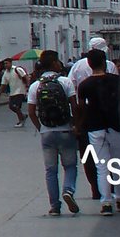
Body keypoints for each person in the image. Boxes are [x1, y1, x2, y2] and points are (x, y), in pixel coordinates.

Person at [29, 49, 80, 217]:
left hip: (47, 133)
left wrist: (40, 127)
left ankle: (55, 206)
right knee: (70, 165)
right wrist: (76, 125)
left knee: (51, 170)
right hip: (66, 129)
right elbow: (74, 105)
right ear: (54, 63)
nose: (60, 64)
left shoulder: (35, 86)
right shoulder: (65, 82)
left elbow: (31, 111)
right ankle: (69, 191)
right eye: (58, 61)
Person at [76, 50, 120, 215]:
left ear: (89, 64)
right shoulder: (117, 81)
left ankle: (106, 203)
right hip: (115, 125)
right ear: (105, 62)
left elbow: (81, 107)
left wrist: (80, 124)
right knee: (117, 163)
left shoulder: (84, 85)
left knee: (102, 166)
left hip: (95, 126)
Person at [8, 61, 31, 127]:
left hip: (20, 91)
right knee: (11, 106)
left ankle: (21, 121)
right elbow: (3, 83)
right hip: (12, 92)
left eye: (7, 63)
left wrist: (28, 85)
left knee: (16, 106)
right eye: (4, 64)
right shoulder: (6, 73)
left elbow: (25, 76)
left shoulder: (17, 69)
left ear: (10, 63)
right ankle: (22, 115)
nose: (6, 65)